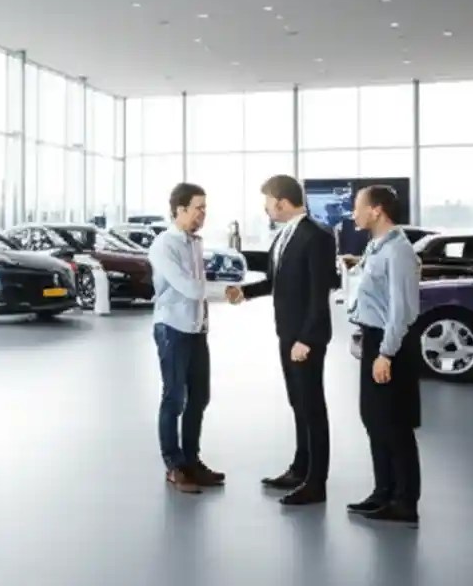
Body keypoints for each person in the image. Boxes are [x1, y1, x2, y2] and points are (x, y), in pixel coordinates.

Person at [225, 175, 337, 506]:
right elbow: (277, 281)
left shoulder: (316, 236)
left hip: (305, 338)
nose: (265, 208)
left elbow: (320, 293)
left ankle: (316, 482)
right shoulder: (284, 236)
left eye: (266, 202)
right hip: (287, 334)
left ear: (281, 202)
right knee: (298, 404)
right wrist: (244, 291)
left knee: (312, 408)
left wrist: (307, 338)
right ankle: (300, 468)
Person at [346, 185, 422, 526]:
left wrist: (386, 354)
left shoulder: (399, 251)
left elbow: (401, 310)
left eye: (358, 207)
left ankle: (405, 502)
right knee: (374, 420)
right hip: (374, 339)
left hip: (390, 344)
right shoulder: (376, 246)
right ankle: (383, 492)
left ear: (376, 210)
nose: (353, 213)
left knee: (395, 425)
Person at [148, 182, 225, 494]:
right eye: (198, 208)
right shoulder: (164, 245)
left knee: (199, 397)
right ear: (179, 210)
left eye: (205, 208)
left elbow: (198, 290)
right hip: (172, 329)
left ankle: (192, 461)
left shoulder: (194, 242)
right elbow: (191, 288)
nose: (203, 214)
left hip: (195, 330)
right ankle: (174, 465)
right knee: (174, 397)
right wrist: (231, 293)